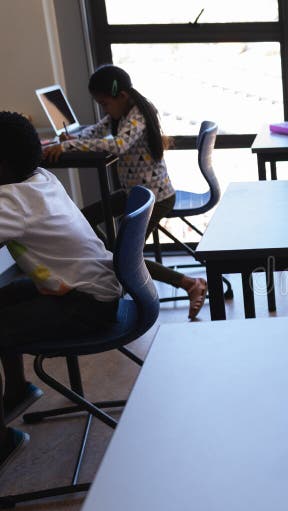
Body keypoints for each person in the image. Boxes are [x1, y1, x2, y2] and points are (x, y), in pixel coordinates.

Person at [0, 111, 122, 468]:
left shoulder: (11, 201)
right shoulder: (40, 179)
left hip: (83, 305)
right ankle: (18, 389)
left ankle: (2, 442)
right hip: (93, 291)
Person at [42, 65, 207, 320]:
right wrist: (65, 141)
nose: (105, 110)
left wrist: (71, 144)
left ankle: (189, 283)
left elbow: (119, 145)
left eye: (105, 103)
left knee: (127, 260)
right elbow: (96, 131)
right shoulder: (121, 112)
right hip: (134, 193)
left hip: (155, 197)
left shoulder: (138, 113)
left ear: (121, 96)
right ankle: (110, 255)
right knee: (83, 220)